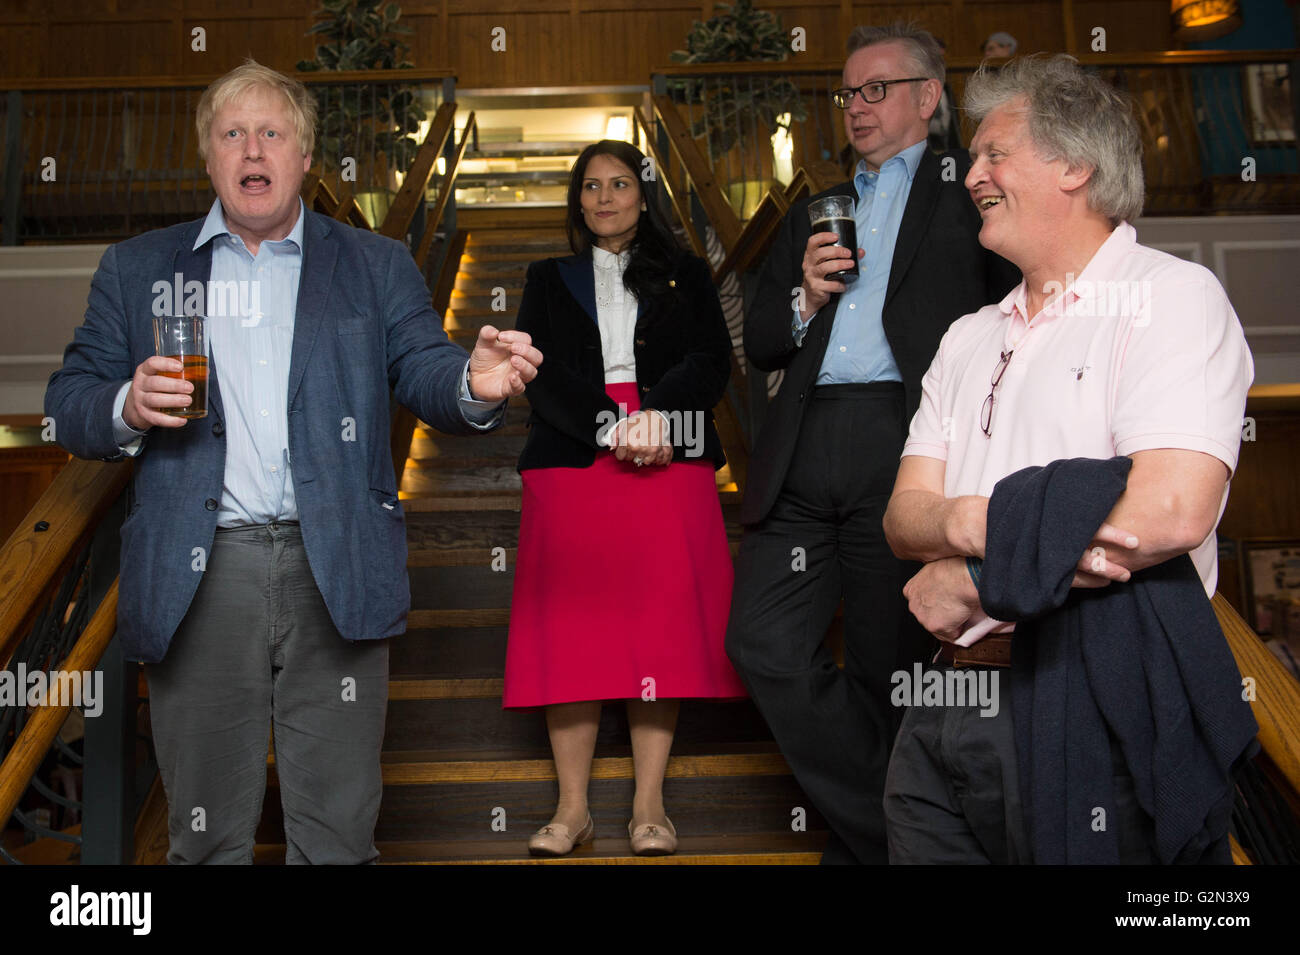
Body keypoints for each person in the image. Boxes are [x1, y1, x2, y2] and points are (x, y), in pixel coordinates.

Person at [43, 60, 542, 864]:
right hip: (202, 576)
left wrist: (470, 383)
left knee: (339, 838)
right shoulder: (140, 269)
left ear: (304, 156)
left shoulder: (373, 265)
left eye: (271, 132)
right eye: (232, 133)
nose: (253, 148)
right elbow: (68, 399)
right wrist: (125, 406)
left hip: (335, 560)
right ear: (208, 156)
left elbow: (425, 369)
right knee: (203, 840)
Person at [882, 54, 1257, 863]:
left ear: (1076, 164)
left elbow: (1168, 509)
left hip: (1087, 689)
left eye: (994, 153)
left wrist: (976, 573)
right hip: (946, 688)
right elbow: (906, 517)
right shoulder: (967, 334)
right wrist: (988, 525)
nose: (971, 173)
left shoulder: (1172, 298)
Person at [724, 23, 1019, 865]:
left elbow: (1012, 307)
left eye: (876, 89)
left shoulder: (970, 186)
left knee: (890, 667)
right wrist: (803, 300)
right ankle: (899, 835)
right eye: (848, 93)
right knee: (762, 643)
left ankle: (874, 845)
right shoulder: (819, 201)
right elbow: (769, 345)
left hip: (909, 437)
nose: (856, 107)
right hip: (807, 440)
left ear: (929, 98)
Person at [504, 139, 745, 857]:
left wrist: (658, 417)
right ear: (577, 201)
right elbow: (535, 369)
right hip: (574, 457)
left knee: (655, 633)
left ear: (644, 193)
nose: (604, 196)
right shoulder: (548, 277)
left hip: (669, 451)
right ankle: (572, 808)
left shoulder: (688, 273)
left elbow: (711, 358)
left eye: (619, 183)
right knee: (573, 635)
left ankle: (648, 804)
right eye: (590, 186)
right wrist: (614, 426)